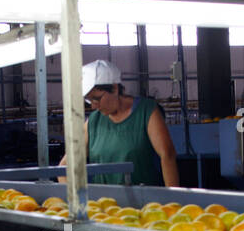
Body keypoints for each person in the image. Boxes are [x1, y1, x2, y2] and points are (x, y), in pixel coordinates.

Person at [59, 59, 180, 187]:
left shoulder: (146, 111)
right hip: (104, 204)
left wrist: (171, 199)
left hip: (146, 202)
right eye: (89, 100)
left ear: (115, 88)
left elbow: (168, 156)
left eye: (97, 99)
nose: (94, 106)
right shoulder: (93, 122)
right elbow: (63, 168)